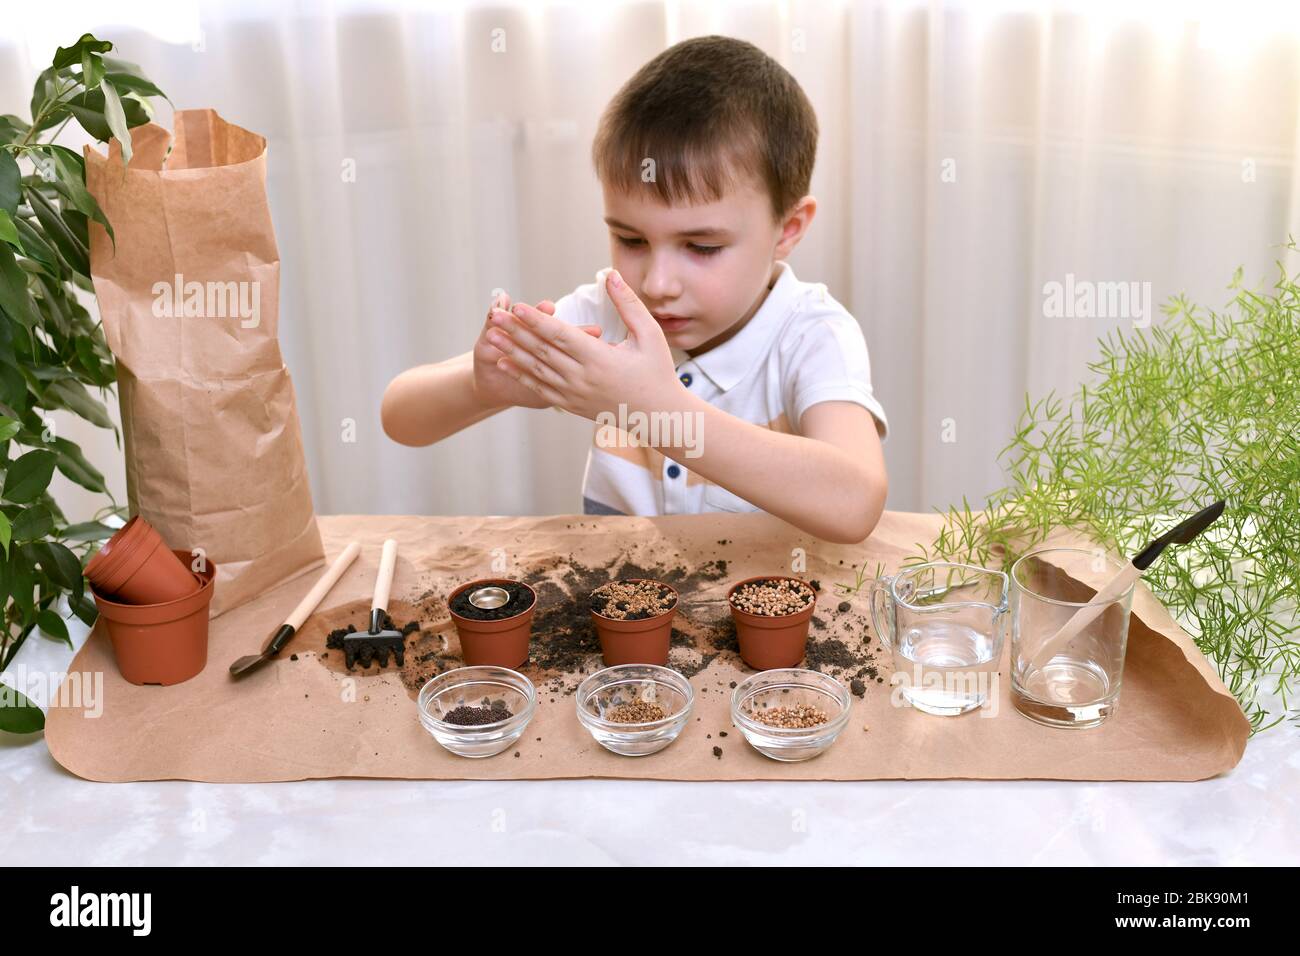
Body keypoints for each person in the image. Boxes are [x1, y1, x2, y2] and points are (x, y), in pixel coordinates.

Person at [382, 35, 888, 543]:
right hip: (625, 607)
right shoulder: (608, 310)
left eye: (702, 247)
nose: (656, 283)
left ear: (789, 228)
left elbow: (855, 501)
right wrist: (478, 388)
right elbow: (400, 416)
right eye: (631, 239)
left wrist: (655, 410)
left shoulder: (812, 334)